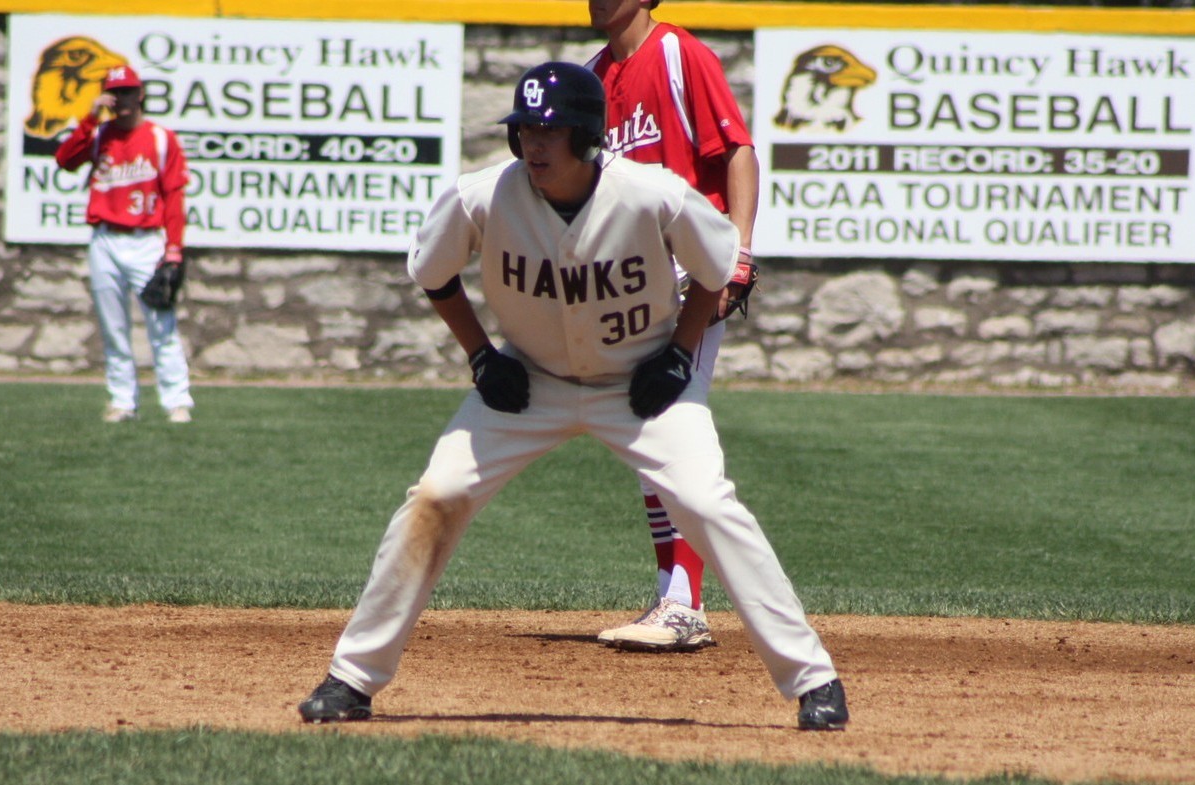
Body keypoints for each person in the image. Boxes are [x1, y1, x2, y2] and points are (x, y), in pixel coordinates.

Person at [297, 62, 848, 731]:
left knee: (708, 503)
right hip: (531, 381)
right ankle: (352, 677)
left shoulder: (652, 194)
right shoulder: (482, 196)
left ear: (586, 135)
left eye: (549, 130)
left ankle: (813, 678)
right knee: (437, 495)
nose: (533, 143)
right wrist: (480, 354)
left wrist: (680, 351)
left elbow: (715, 269)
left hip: (641, 385)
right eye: (524, 129)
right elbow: (434, 273)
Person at [586, 0, 760, 651]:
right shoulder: (596, 74)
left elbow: (738, 152)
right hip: (635, 281)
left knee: (672, 420)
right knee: (646, 434)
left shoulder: (680, 54)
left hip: (693, 275)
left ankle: (685, 604)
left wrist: (738, 254)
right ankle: (673, 594)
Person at [55, 64, 194, 424]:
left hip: (147, 240)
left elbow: (174, 196)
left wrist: (174, 248)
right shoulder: (99, 135)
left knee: (161, 324)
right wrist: (89, 117)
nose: (122, 100)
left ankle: (177, 402)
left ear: (141, 93)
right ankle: (122, 401)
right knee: (113, 328)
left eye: (128, 91)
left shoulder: (161, 138)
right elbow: (65, 160)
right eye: (115, 93)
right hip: (105, 240)